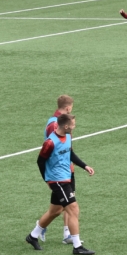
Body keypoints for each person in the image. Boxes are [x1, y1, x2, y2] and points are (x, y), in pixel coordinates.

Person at [25, 113, 95, 255]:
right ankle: (77, 246)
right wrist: (47, 181)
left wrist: (84, 166)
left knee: (55, 211)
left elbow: (70, 154)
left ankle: (32, 236)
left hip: (66, 178)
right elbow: (40, 161)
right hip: (57, 180)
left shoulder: (68, 137)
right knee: (73, 209)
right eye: (73, 124)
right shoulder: (50, 143)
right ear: (66, 126)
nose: (75, 126)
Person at [44, 95, 76, 246]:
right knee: (66, 206)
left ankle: (67, 233)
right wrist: (48, 177)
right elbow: (50, 149)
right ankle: (39, 229)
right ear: (68, 108)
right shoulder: (55, 124)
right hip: (58, 173)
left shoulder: (62, 122)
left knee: (60, 208)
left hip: (66, 169)